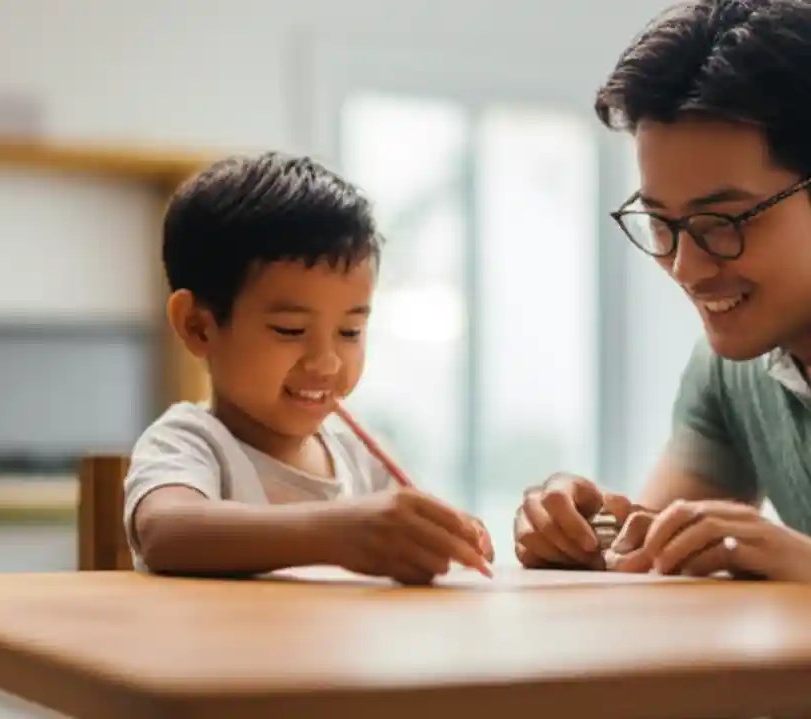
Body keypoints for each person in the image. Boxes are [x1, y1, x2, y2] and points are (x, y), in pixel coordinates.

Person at [515, 0, 811, 581]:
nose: (686, 267)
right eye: (659, 222)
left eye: (723, 222)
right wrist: (590, 533)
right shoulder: (732, 368)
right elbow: (666, 550)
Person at [123, 152, 492, 584]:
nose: (327, 361)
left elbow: (397, 535)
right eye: (289, 329)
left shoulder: (359, 455)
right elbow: (167, 533)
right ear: (198, 327)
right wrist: (339, 532)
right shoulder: (190, 441)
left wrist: (440, 537)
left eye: (351, 331)